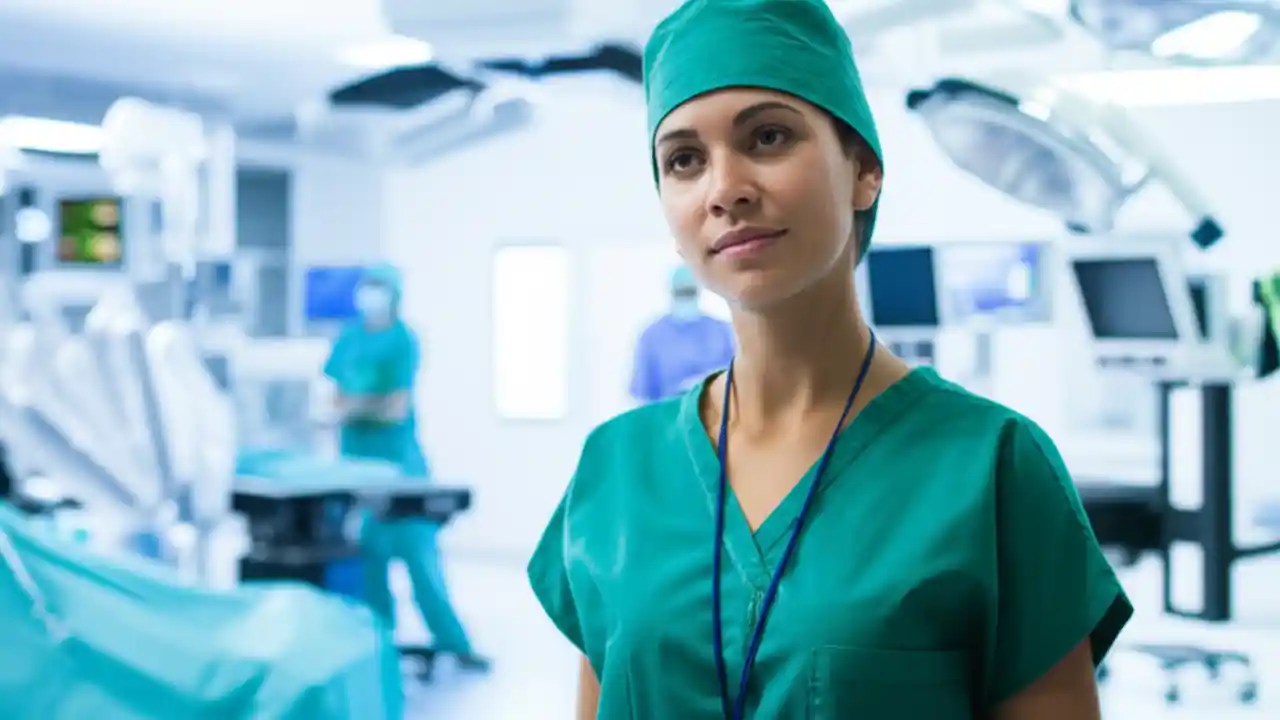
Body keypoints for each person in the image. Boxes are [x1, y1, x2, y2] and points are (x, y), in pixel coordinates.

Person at [526, 1, 1131, 718]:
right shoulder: (616, 469)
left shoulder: (991, 468)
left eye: (769, 137)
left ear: (864, 171)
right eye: (684, 160)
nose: (725, 190)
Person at [324, 264, 489, 672]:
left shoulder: (403, 339)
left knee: (419, 555)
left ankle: (455, 643)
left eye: (379, 288)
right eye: (368, 287)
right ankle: (377, 649)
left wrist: (357, 408)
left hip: (402, 471)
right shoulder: (348, 339)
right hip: (356, 468)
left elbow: (394, 408)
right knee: (368, 559)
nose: (372, 296)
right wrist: (365, 408)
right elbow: (336, 403)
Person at [630, 265, 736, 403]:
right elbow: (642, 392)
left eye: (689, 292)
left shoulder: (721, 331)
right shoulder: (652, 336)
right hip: (669, 419)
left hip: (718, 413)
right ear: (671, 293)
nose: (685, 298)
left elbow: (738, 377)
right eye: (681, 293)